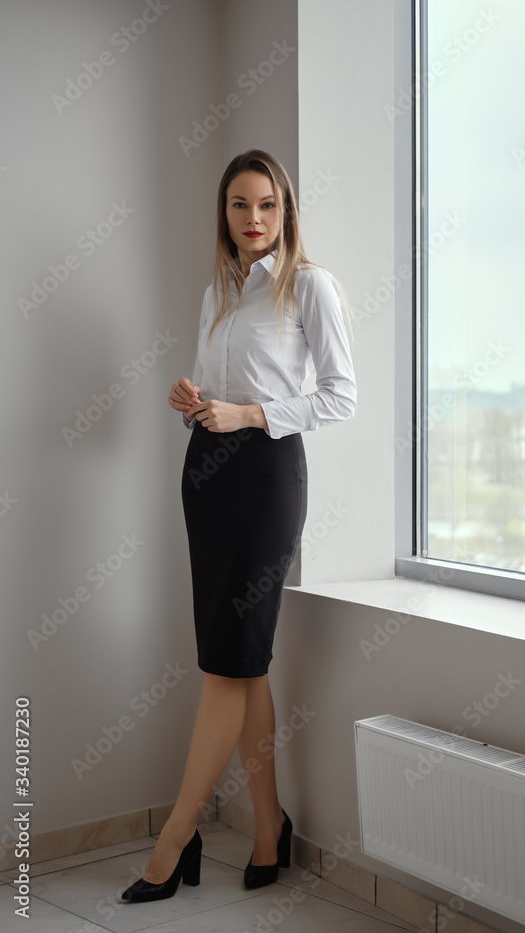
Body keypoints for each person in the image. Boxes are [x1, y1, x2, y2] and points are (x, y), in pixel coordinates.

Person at [120, 149, 357, 904]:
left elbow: (340, 397)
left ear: (286, 212)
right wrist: (189, 396)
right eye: (238, 206)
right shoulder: (216, 293)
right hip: (206, 474)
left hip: (264, 479)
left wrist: (250, 413)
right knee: (241, 659)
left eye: (267, 206)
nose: (253, 220)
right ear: (222, 215)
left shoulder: (310, 287)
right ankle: (267, 826)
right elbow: (215, 392)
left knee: (227, 662)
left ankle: (176, 836)